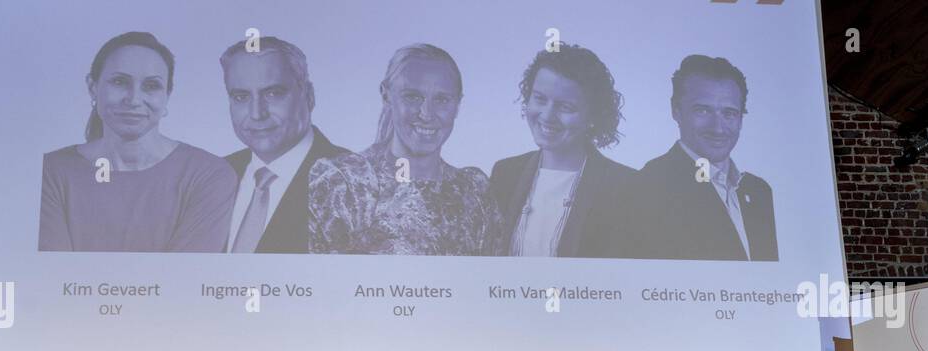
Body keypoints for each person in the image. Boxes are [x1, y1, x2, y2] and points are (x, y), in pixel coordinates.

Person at [38, 31, 237, 252]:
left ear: (167, 94)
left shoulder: (209, 175)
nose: (133, 99)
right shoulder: (50, 171)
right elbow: (53, 276)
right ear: (92, 87)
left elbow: (184, 279)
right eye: (119, 82)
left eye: (151, 86)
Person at [309, 43, 502, 255]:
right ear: (386, 95)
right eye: (413, 96)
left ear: (457, 104)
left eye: (442, 99)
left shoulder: (473, 191)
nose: (426, 114)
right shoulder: (344, 184)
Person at [489, 45, 636, 258]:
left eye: (565, 107)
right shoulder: (505, 173)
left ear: (593, 116)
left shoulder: (625, 187)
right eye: (540, 98)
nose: (547, 116)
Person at [629, 55, 777, 261]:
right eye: (703, 110)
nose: (718, 128)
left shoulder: (759, 191)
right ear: (676, 111)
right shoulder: (648, 186)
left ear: (741, 119)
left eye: (729, 113)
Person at [219, 35, 348, 253]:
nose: (257, 113)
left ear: (309, 96)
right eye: (241, 97)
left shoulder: (359, 182)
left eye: (273, 93)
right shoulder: (212, 175)